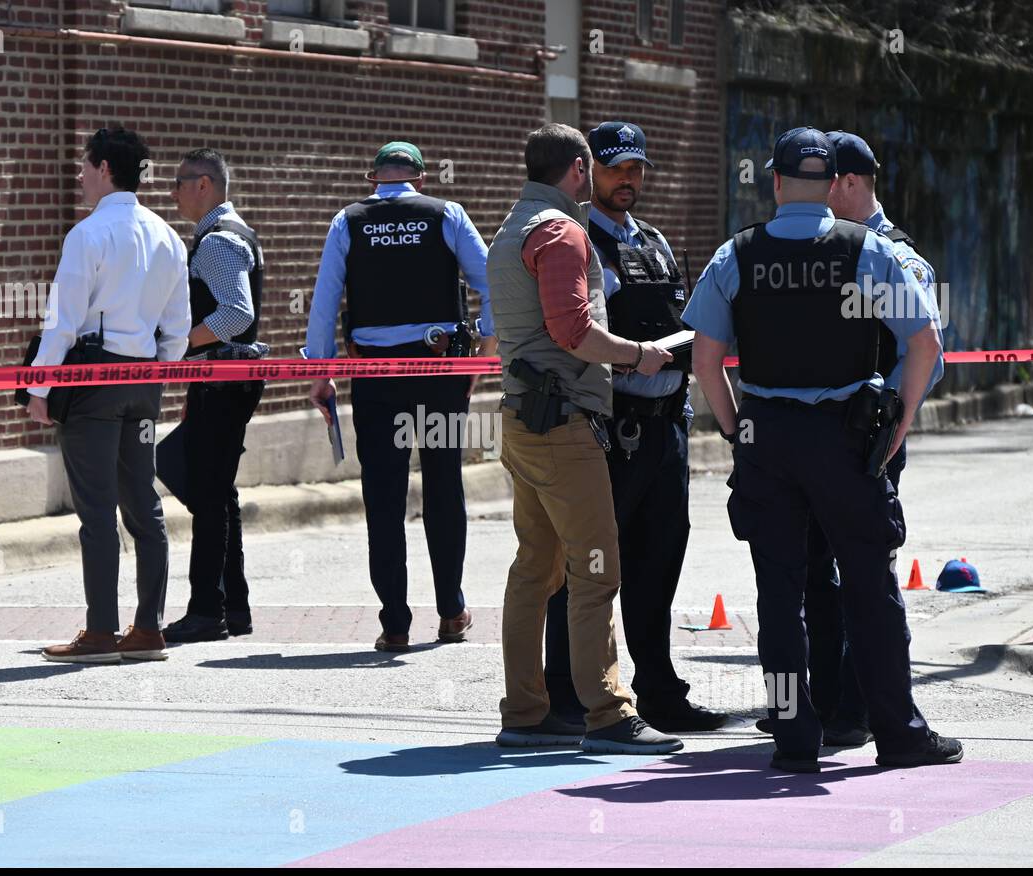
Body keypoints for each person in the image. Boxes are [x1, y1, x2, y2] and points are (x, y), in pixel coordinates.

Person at [683, 126, 962, 772]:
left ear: (775, 183)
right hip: (847, 438)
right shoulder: (868, 251)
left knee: (779, 596)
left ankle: (794, 735)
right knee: (871, 587)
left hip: (769, 439)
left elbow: (705, 360)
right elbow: (925, 343)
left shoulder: (737, 255)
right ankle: (897, 732)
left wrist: (735, 429)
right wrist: (899, 417)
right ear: (834, 185)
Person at [487, 123, 684, 754]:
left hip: (523, 417)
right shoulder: (561, 230)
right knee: (596, 569)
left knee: (534, 569)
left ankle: (524, 711)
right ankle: (609, 716)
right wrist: (637, 354)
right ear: (578, 167)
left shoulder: (510, 226)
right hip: (565, 423)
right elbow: (573, 329)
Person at [542, 122, 727, 733]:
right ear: (590, 170)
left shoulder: (654, 240)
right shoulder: (578, 240)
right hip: (609, 428)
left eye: (637, 168)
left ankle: (660, 690)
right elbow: (578, 333)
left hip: (666, 427)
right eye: (617, 167)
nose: (629, 178)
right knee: (589, 567)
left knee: (658, 564)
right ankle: (570, 696)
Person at [304, 141, 497, 652]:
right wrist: (483, 343)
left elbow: (325, 302)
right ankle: (452, 611)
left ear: (374, 180)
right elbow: (492, 281)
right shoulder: (446, 214)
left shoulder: (348, 221)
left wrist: (322, 372)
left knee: (383, 497)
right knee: (443, 485)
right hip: (439, 371)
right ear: (420, 179)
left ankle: (395, 622)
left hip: (375, 378)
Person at [801, 131, 945, 745]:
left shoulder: (892, 255)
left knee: (866, 575)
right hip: (813, 442)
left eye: (824, 181)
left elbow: (926, 353)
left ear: (850, 184)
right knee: (817, 573)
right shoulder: (825, 247)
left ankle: (859, 708)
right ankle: (827, 704)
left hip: (868, 442)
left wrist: (890, 424)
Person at [31, 127, 190, 664]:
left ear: (103, 168)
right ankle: (148, 630)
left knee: (96, 509)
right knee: (143, 504)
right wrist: (158, 376)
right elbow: (179, 326)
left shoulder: (87, 234)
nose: (79, 174)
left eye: (84, 165)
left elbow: (62, 322)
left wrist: (39, 386)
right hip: (144, 378)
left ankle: (100, 631)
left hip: (93, 381)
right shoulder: (168, 235)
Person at [163, 148, 267, 644]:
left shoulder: (217, 242)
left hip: (226, 382)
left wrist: (180, 343)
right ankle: (233, 607)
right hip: (223, 381)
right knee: (217, 494)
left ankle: (208, 609)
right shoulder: (228, 234)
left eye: (178, 183)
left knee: (208, 495)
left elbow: (236, 315)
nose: (173, 193)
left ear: (203, 185)